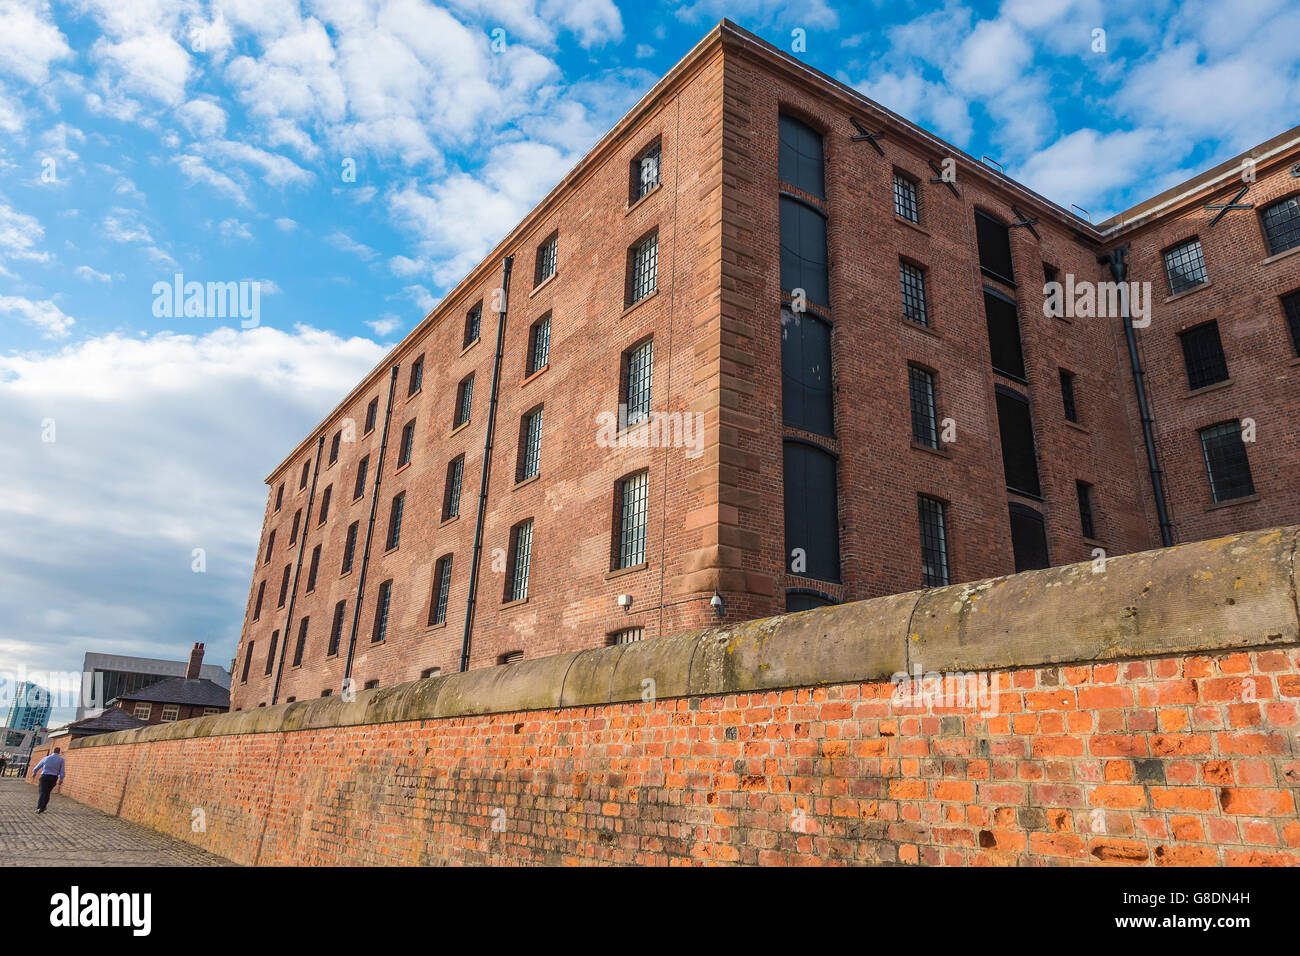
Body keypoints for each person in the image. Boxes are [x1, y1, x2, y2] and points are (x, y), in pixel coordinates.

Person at [31, 748, 65, 813]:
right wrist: (61, 779)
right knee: (47, 792)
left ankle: (40, 807)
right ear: (59, 752)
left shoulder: (46, 758)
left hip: (44, 776)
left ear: (53, 751)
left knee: (42, 792)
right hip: (53, 777)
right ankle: (43, 806)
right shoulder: (61, 760)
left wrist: (34, 773)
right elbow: (62, 770)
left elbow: (38, 766)